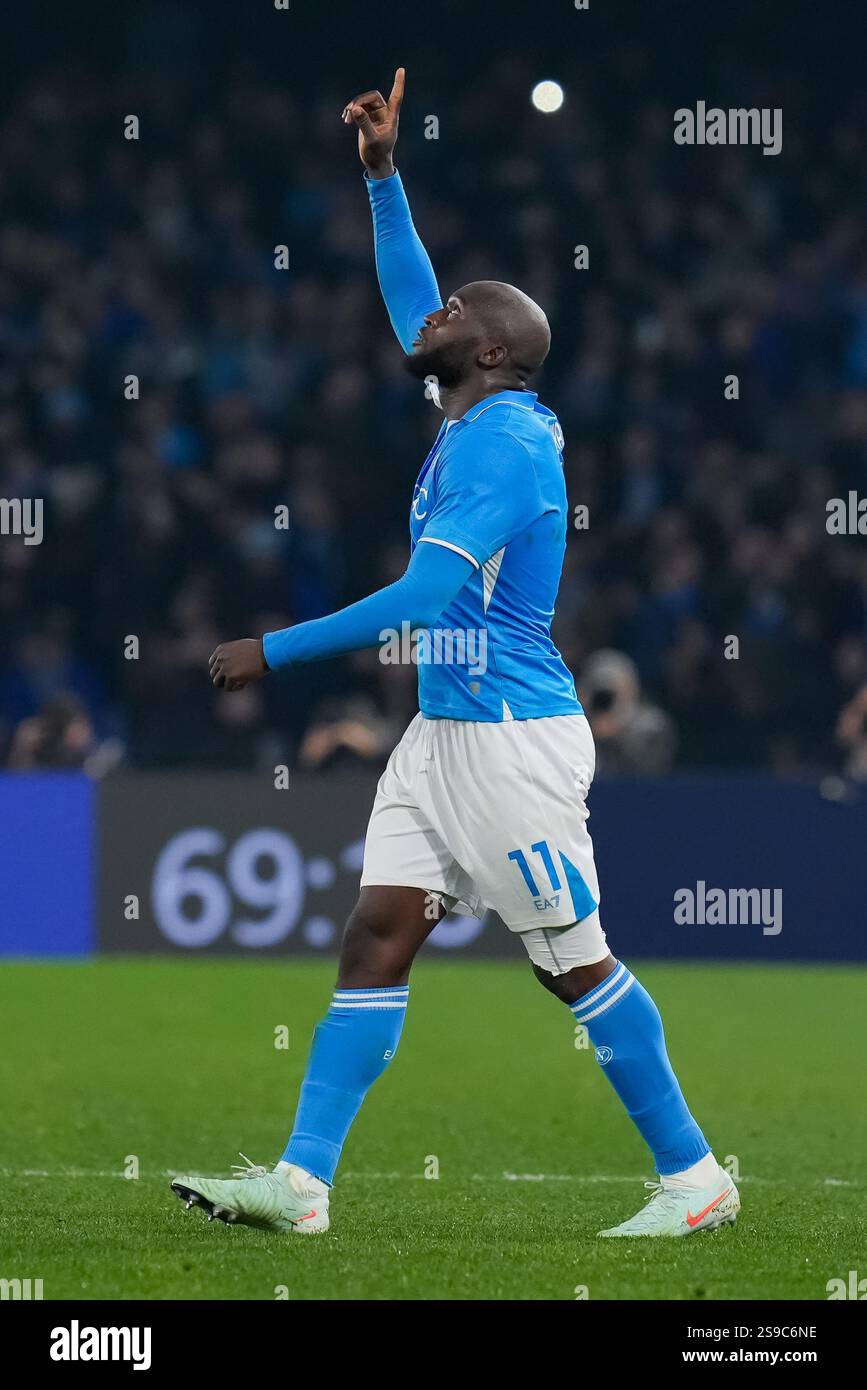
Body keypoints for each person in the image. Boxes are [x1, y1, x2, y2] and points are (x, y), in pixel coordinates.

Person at [172, 70, 739, 1239]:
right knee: (379, 929)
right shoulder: (473, 411)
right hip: (443, 734)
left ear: (489, 349)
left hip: (509, 744)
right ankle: (302, 1182)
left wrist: (271, 651)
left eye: (453, 311)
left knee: (572, 964)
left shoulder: (506, 450)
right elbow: (409, 293)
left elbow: (429, 592)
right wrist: (383, 177)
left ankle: (697, 1178)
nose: (428, 316)